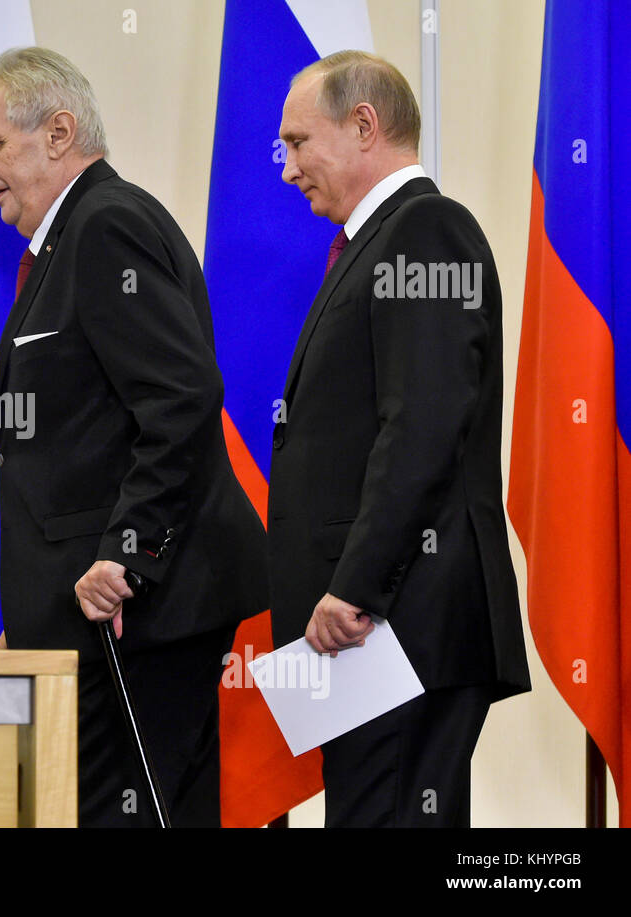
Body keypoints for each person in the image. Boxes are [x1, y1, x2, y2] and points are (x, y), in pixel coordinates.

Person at [0, 47, 268, 827]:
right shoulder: (71, 241)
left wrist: (129, 553)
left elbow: (182, 396)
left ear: (58, 132)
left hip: (134, 617)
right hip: (90, 620)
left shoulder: (107, 227)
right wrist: (31, 609)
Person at [269, 50, 530, 827]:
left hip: (399, 623)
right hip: (378, 633)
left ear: (362, 126)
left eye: (297, 142)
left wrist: (354, 586)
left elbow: (422, 424)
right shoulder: (377, 241)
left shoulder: (426, 230)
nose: (288, 169)